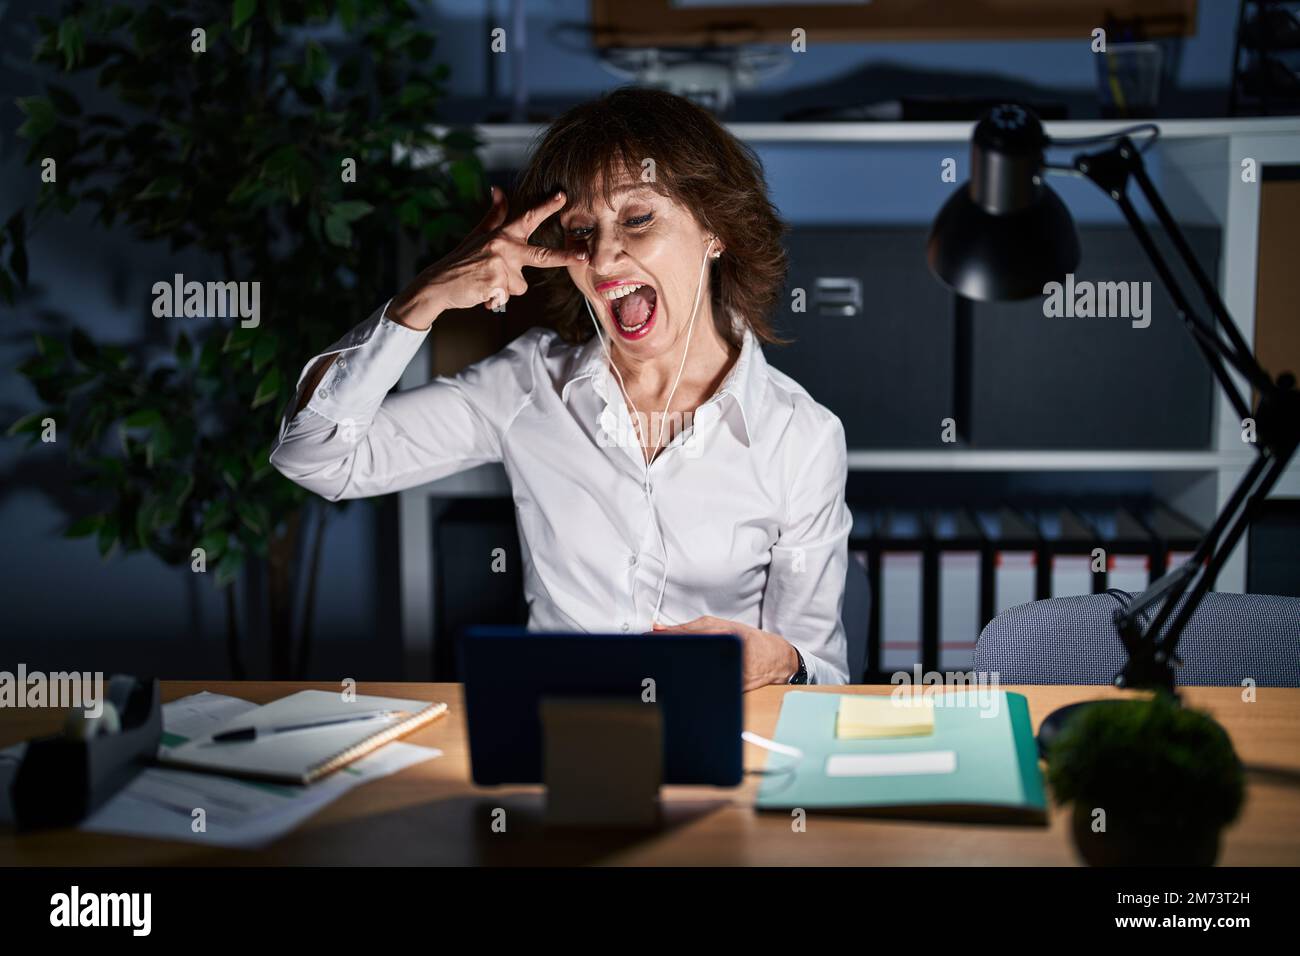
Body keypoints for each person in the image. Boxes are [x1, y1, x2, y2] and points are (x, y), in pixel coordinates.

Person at [271, 87, 852, 689]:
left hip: (724, 739)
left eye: (638, 218)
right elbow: (314, 456)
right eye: (580, 231)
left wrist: (782, 662)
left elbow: (827, 677)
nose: (602, 257)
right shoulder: (526, 383)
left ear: (714, 231)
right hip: (559, 735)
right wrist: (427, 297)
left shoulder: (801, 438)